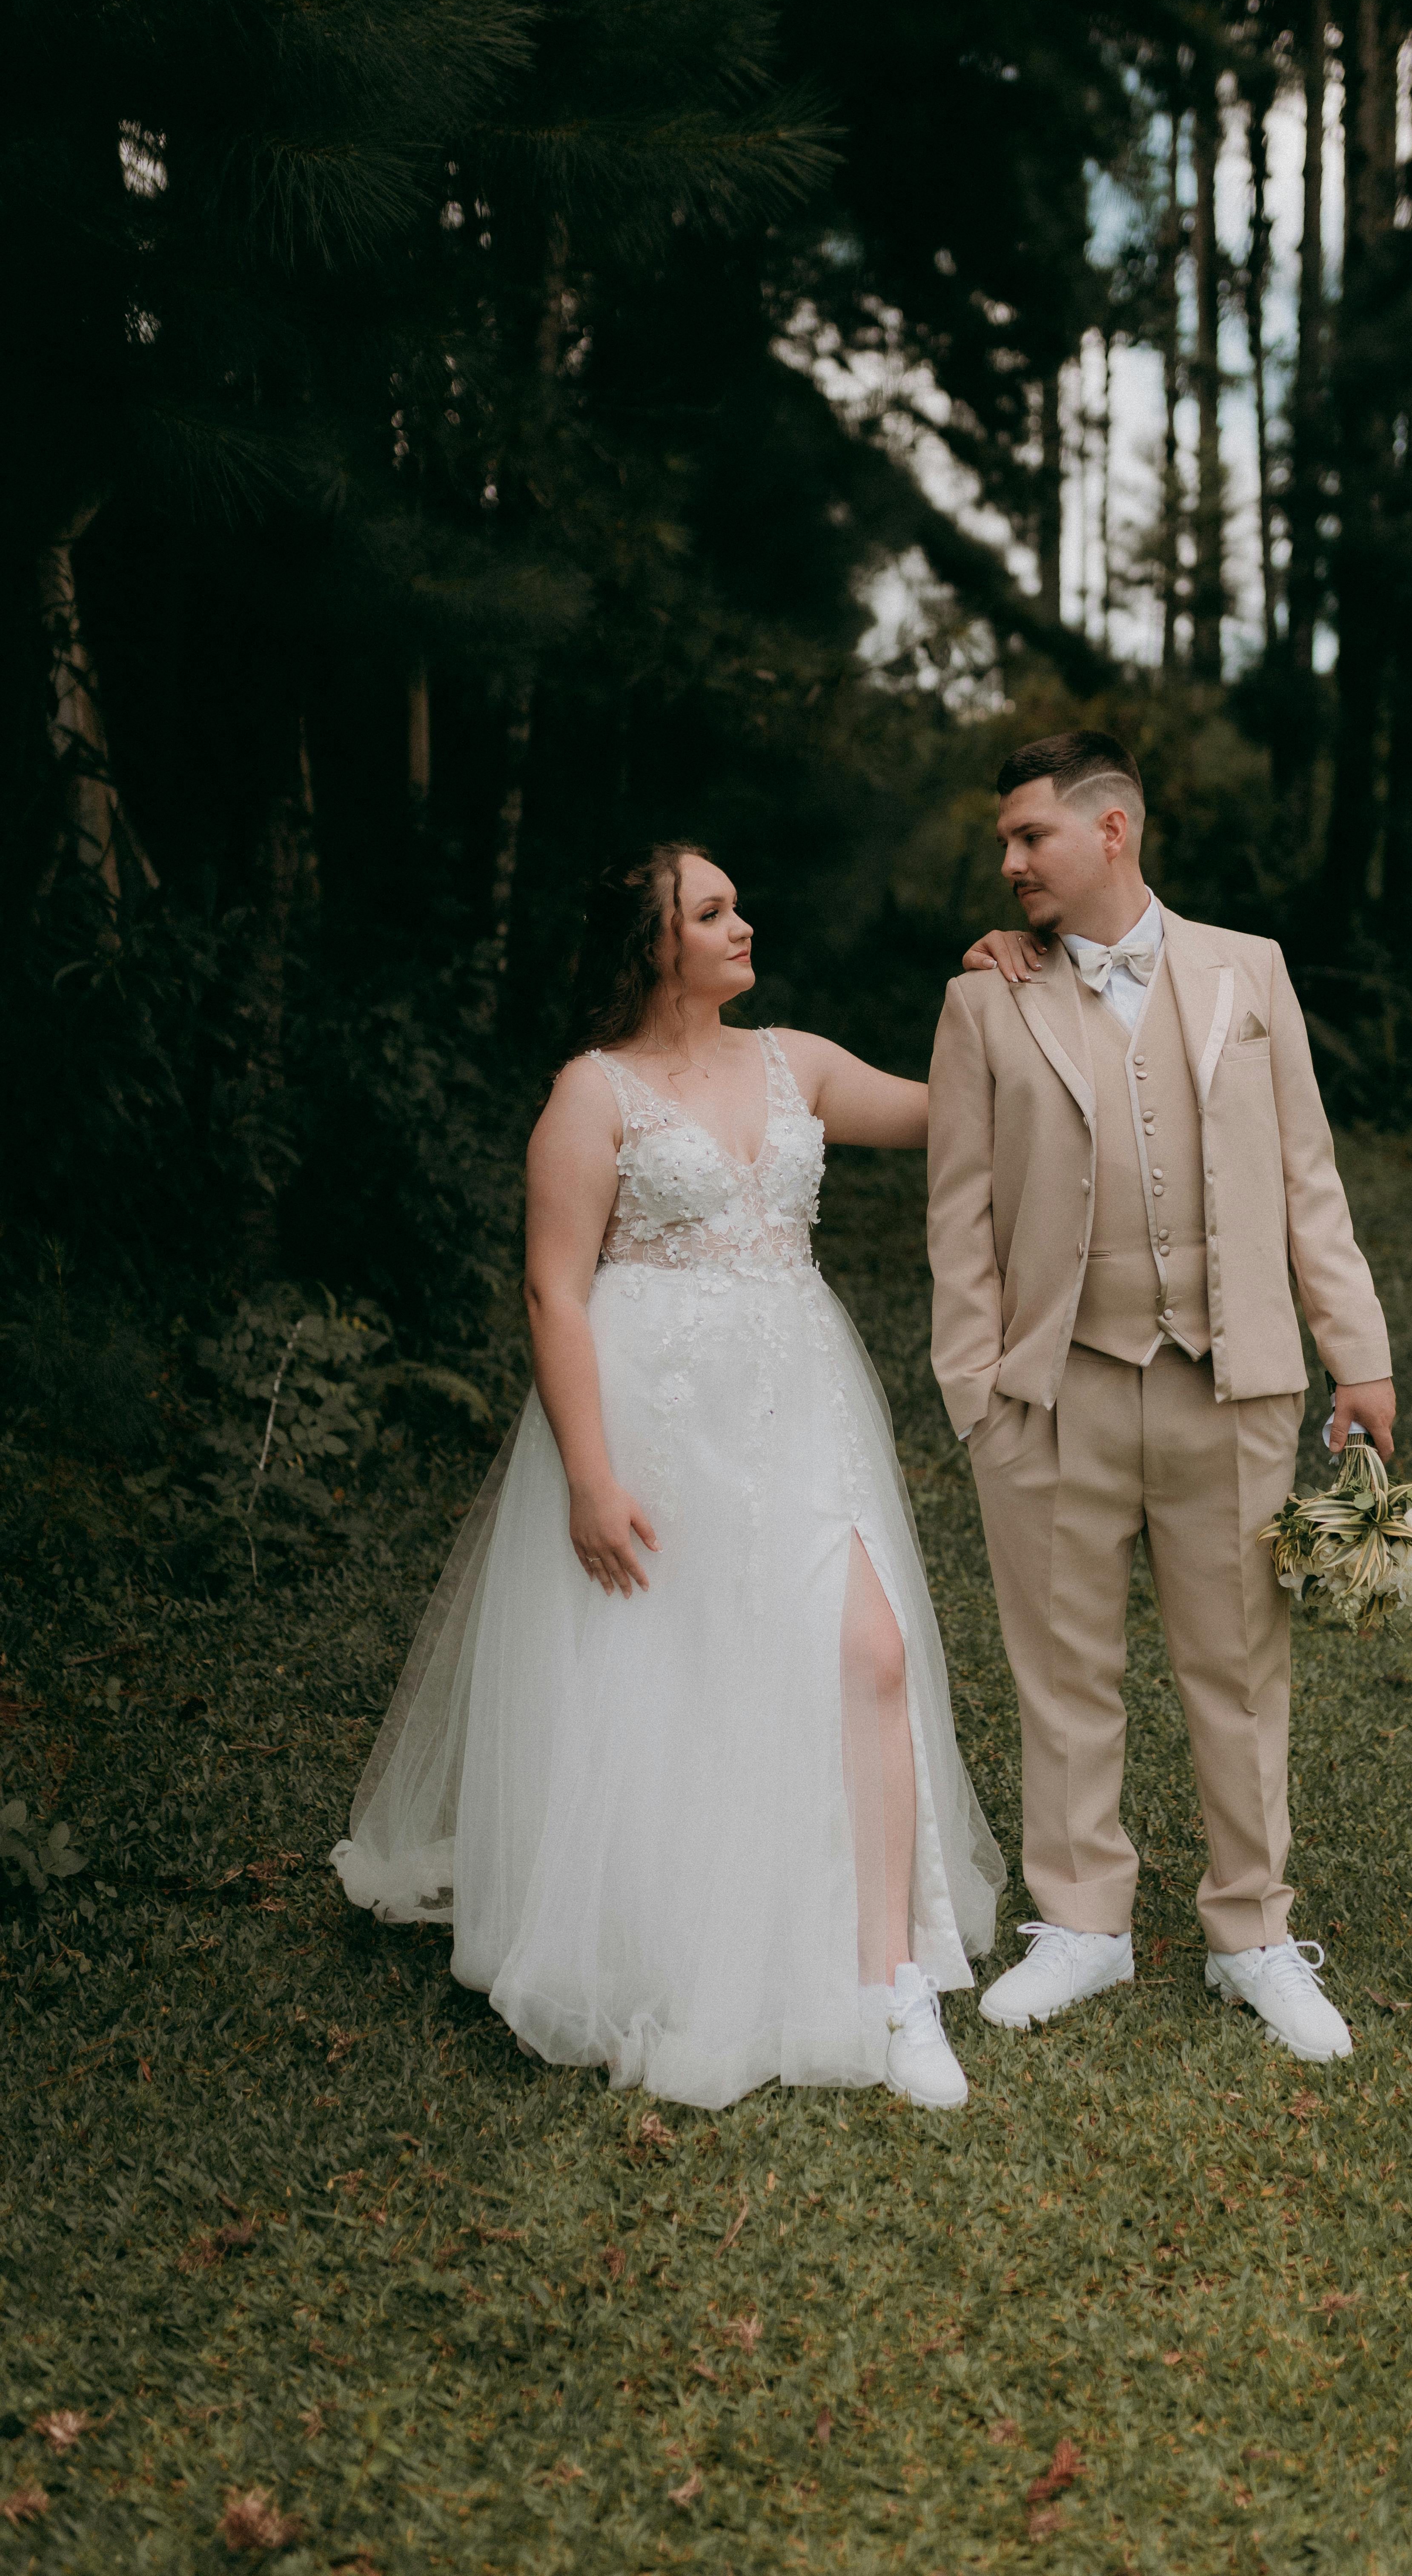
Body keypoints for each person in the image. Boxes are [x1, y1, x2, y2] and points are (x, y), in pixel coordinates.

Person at [333, 843, 1003, 2112]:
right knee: (680, 1674)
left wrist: (991, 1000)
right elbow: (554, 1290)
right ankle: (687, 1931)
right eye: (712, 912)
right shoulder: (593, 1095)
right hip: (654, 1423)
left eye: (737, 901)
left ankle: (891, 1982)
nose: (744, 922)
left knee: (871, 1653)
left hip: (801, 1405)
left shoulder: (792, 1059)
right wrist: (589, 1477)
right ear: (656, 950)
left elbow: (947, 1110)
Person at [931, 731, 1395, 2065]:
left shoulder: (1249, 972)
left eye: (1031, 837)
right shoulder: (985, 1003)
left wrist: (1356, 1351)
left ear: (1113, 830)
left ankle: (1253, 1936)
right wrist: (976, 1390)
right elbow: (958, 1217)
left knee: (1243, 1668)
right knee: (1062, 1666)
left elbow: (1309, 1177)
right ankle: (1084, 1922)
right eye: (1008, 844)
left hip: (1230, 1378)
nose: (1010, 862)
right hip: (1052, 1396)